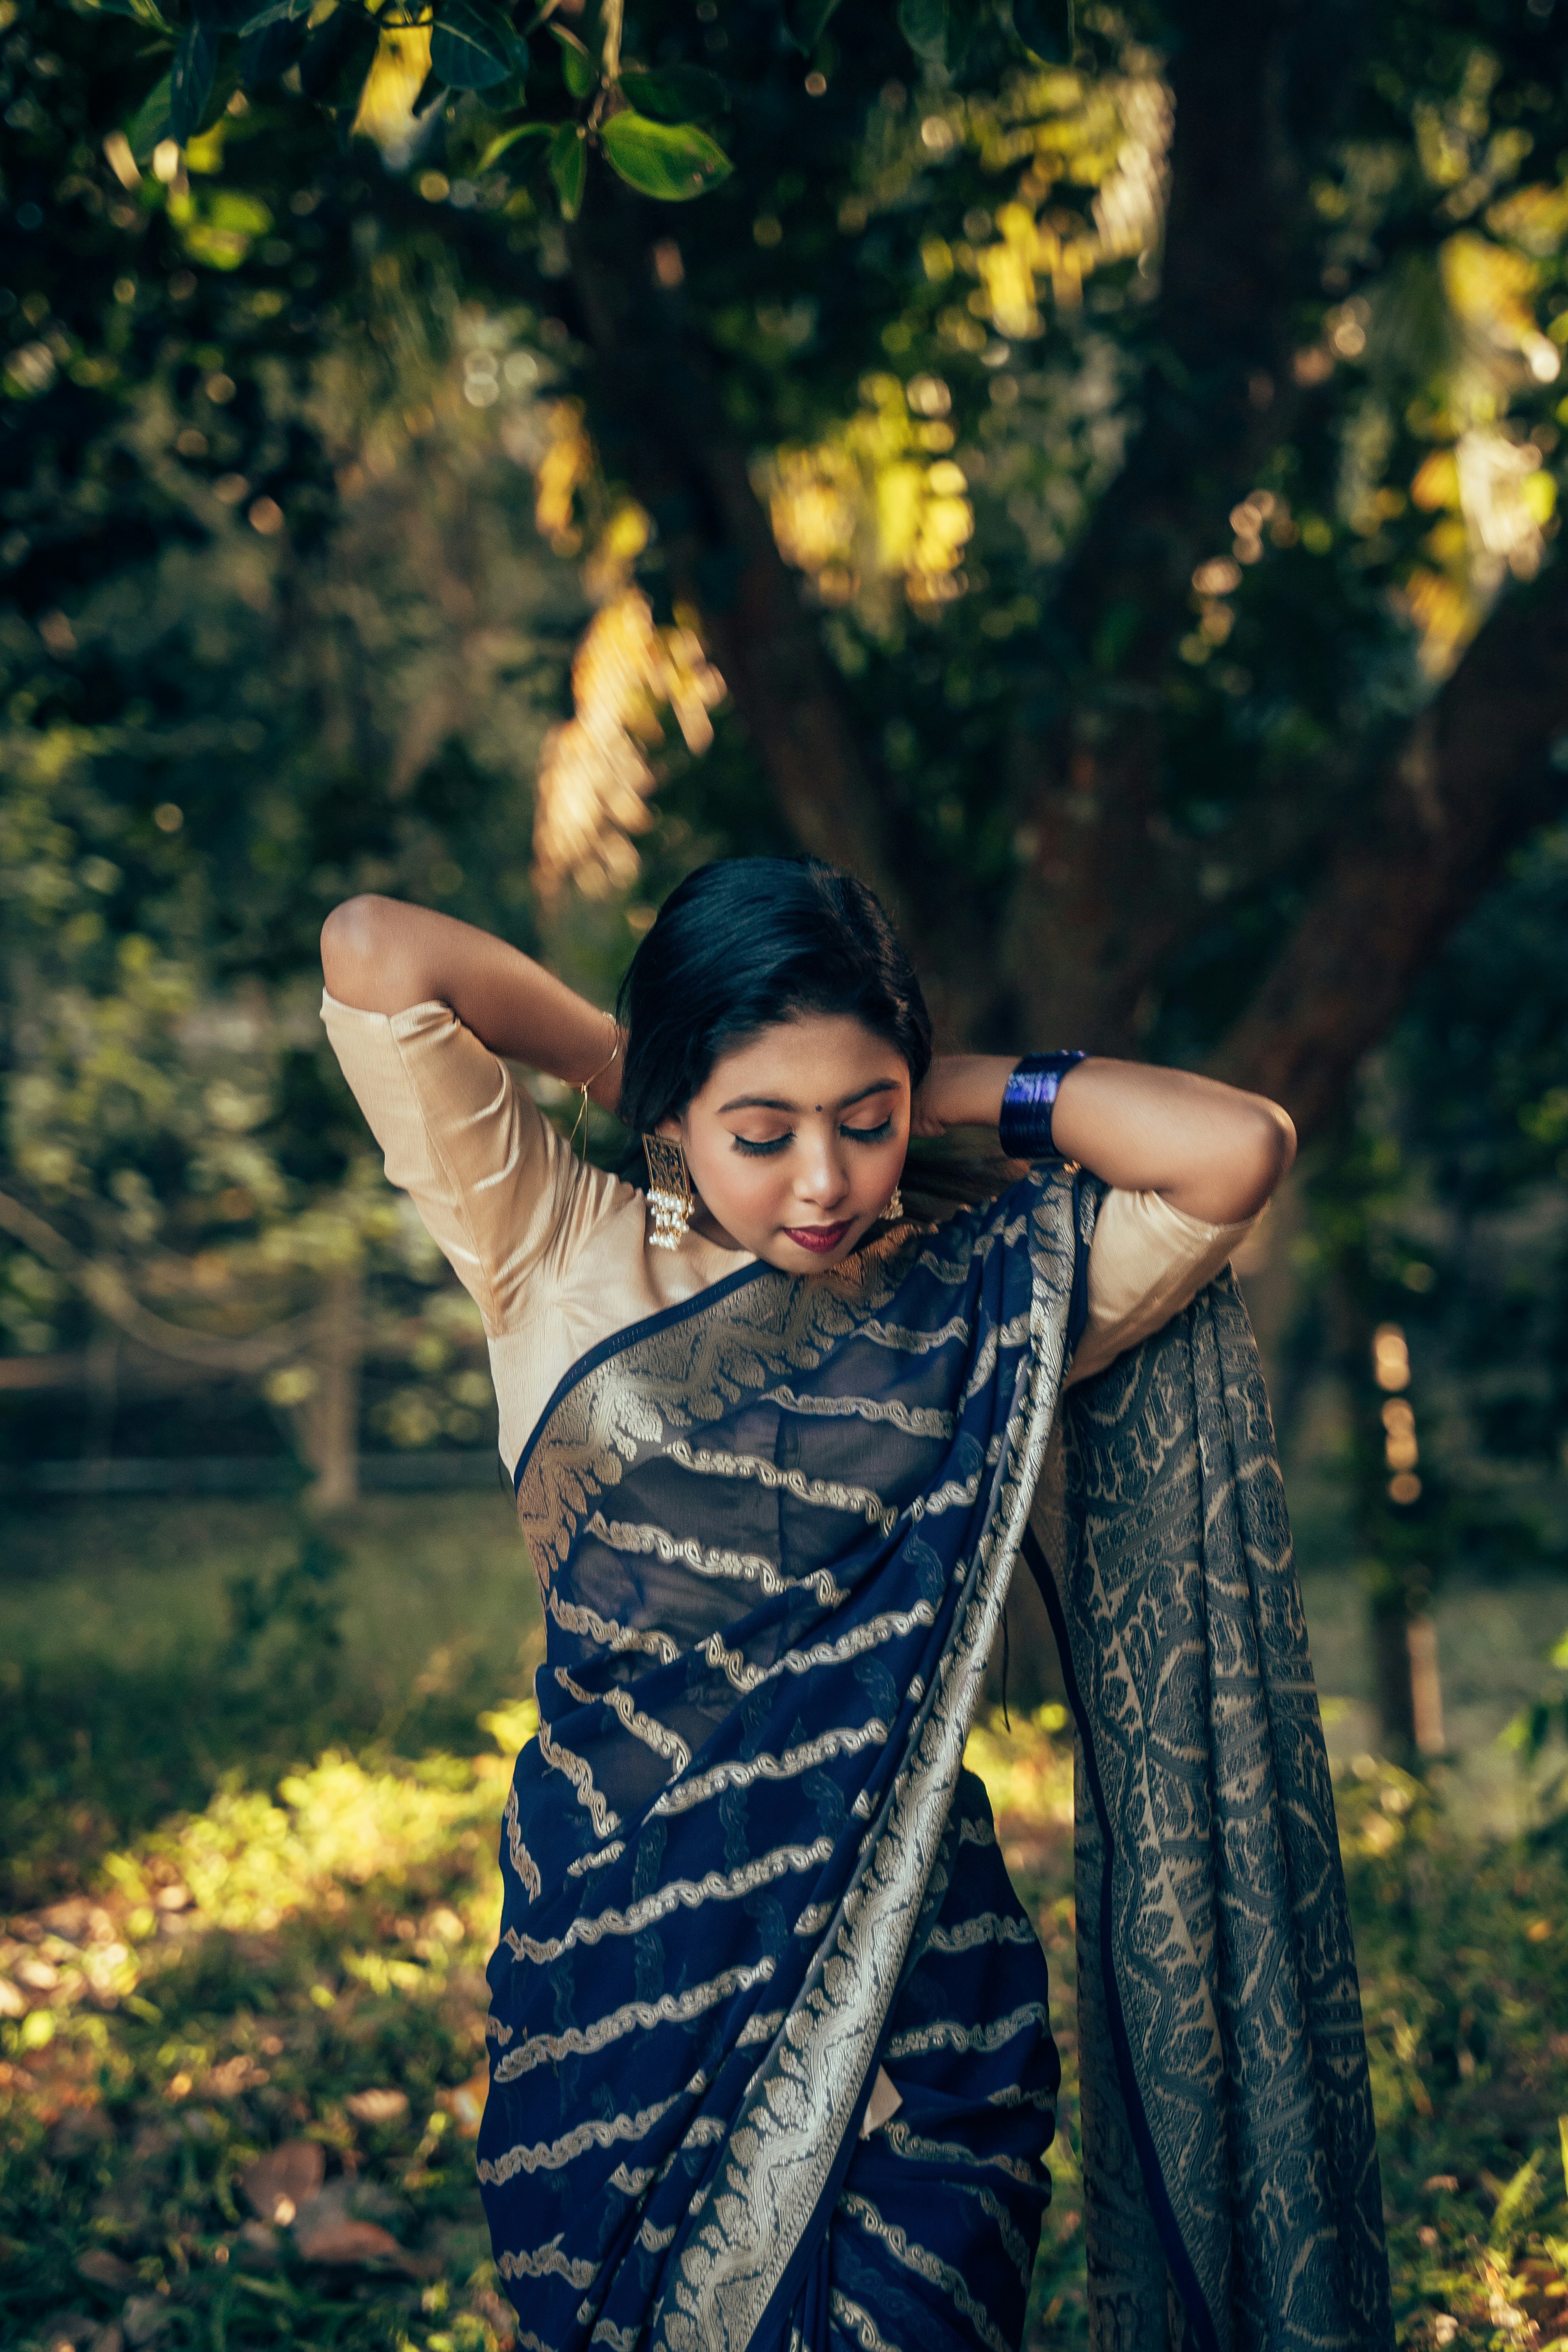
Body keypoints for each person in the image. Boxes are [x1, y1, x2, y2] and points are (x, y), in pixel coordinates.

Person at [320, 858, 1392, 2352]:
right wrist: (619, 1057)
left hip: (914, 1986)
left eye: (865, 1123)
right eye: (763, 1132)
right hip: (621, 1977)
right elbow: (373, 948)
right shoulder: (552, 1248)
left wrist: (962, 1087)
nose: (822, 1181)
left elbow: (1232, 1149)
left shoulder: (970, 1302)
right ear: (681, 1116)